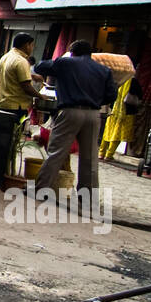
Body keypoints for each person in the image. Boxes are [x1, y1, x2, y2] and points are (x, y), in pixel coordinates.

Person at [32, 40, 116, 194]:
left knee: (57, 152)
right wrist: (95, 101)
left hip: (70, 111)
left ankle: (41, 189)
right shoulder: (104, 70)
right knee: (90, 158)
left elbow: (40, 66)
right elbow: (111, 95)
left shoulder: (66, 63)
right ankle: (88, 198)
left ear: (72, 52)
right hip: (93, 114)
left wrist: (64, 59)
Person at [0, 33, 41, 119]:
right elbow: (26, 87)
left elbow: (11, 74)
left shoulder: (5, 57)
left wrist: (31, 75)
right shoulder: (21, 61)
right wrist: (41, 96)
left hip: (2, 104)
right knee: (15, 131)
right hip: (16, 107)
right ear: (27, 45)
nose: (32, 48)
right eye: (32, 45)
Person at [99, 74, 136, 162]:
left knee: (108, 131)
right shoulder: (133, 82)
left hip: (113, 110)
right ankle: (109, 154)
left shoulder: (117, 78)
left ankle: (101, 153)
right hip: (126, 112)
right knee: (118, 134)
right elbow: (137, 96)